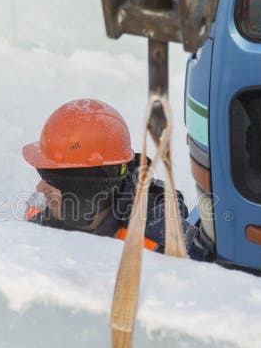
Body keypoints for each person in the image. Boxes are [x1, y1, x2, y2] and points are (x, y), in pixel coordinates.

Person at [22, 98, 211, 259]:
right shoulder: (41, 207)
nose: (39, 188)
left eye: (52, 180)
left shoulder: (158, 244)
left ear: (86, 189)